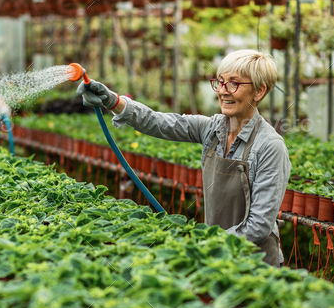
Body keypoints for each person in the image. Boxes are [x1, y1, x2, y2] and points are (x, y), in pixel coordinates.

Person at [76, 50, 291, 267]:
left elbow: (259, 225)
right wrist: (113, 101)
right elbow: (158, 122)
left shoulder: (270, 147)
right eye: (220, 82)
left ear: (259, 91)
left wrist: (206, 245)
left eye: (234, 84)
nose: (223, 91)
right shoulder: (212, 129)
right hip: (216, 258)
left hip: (256, 265)